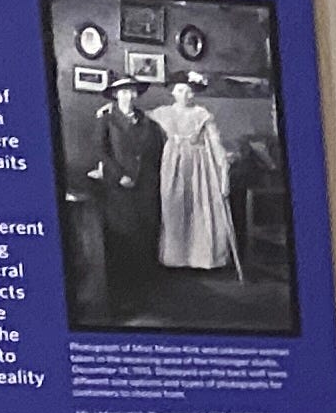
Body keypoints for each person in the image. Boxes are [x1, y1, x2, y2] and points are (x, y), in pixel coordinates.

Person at [85, 78, 161, 316]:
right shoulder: (106, 120)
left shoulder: (148, 122)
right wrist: (119, 175)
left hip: (145, 189)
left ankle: (143, 297)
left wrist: (148, 178)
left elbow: (156, 152)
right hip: (118, 189)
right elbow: (101, 151)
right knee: (121, 238)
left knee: (144, 238)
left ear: (136, 95)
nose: (127, 96)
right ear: (115, 96)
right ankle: (121, 298)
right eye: (122, 92)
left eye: (130, 91)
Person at [155, 72, 236, 275]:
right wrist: (110, 108)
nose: (185, 95)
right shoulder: (162, 113)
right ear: (173, 92)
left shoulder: (202, 114)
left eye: (189, 91)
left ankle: (201, 257)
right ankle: (176, 259)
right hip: (173, 164)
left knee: (200, 207)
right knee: (174, 207)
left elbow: (215, 142)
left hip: (199, 166)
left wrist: (222, 166)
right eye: (181, 90)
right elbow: (137, 116)